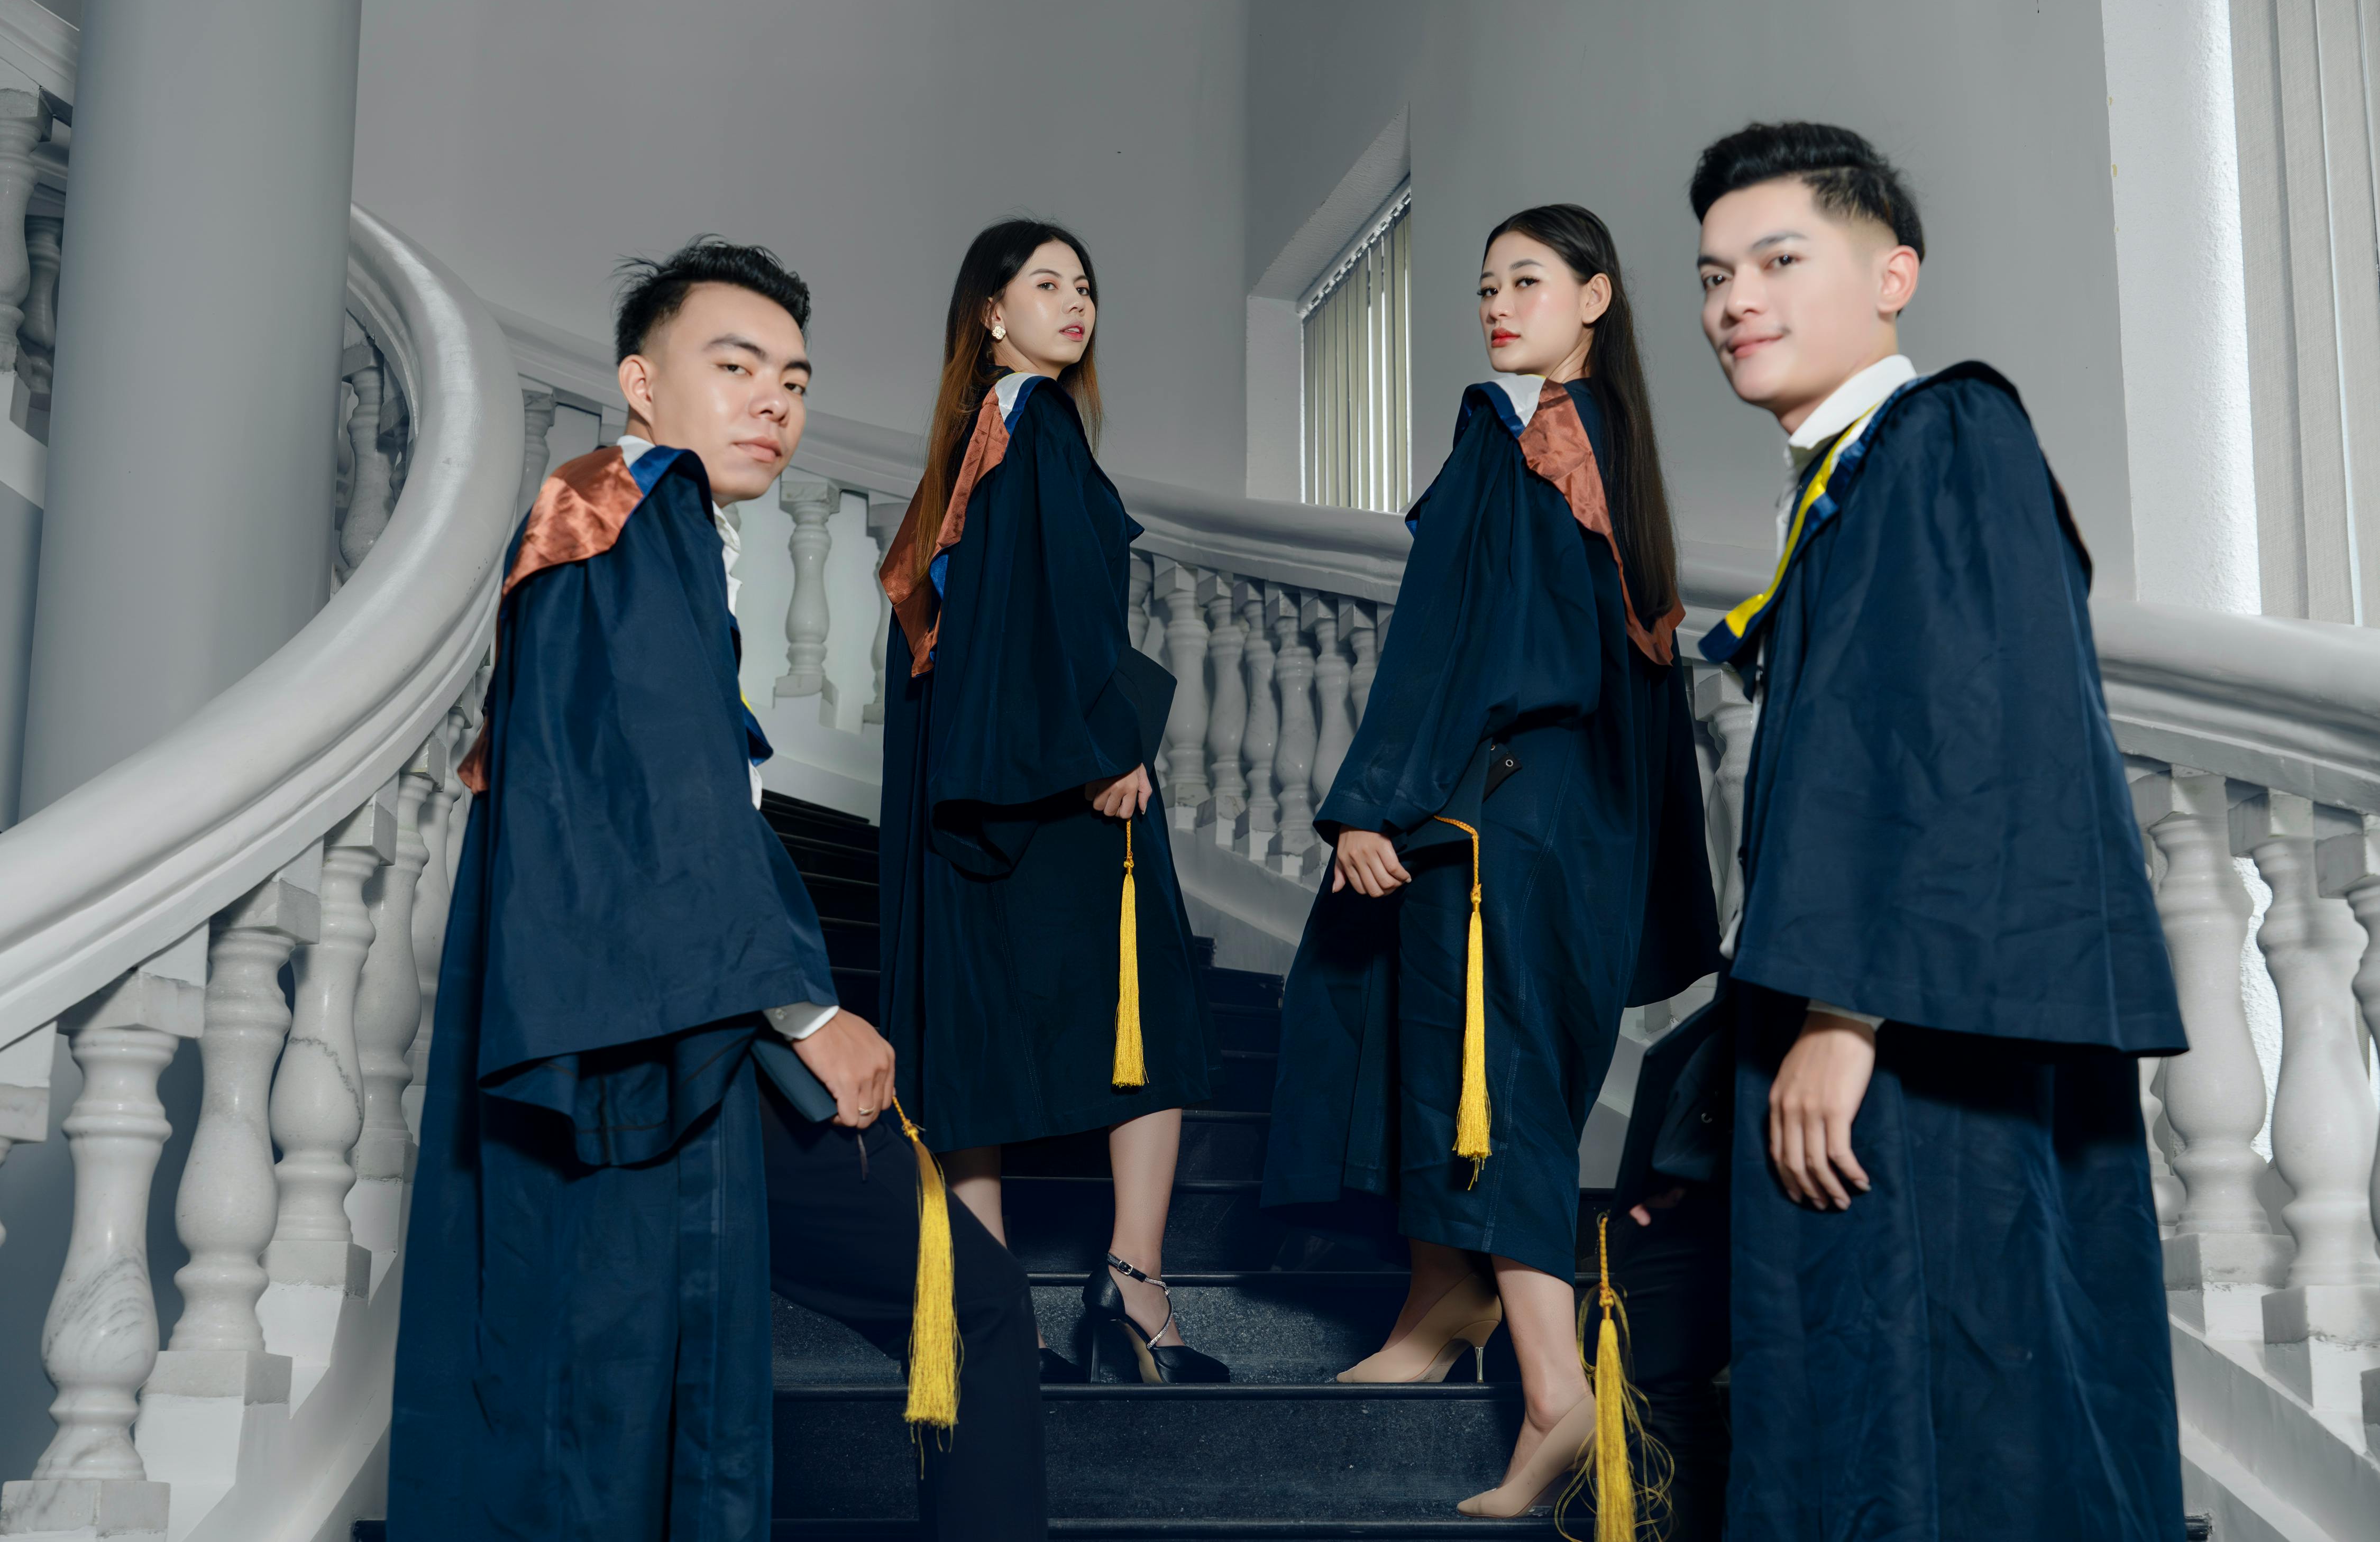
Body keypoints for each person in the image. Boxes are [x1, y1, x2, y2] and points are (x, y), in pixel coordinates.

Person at [389, 239, 1046, 1541]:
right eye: (734, 366)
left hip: (673, 1018)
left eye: (796, 382)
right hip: (672, 1040)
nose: (775, 404)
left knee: (917, 1309)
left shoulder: (646, 530)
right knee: (961, 1296)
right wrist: (808, 1012)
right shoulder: (620, 516)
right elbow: (665, 800)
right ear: (642, 383)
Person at [1682, 122, 2187, 1539]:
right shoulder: (1851, 479)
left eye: (1780, 259)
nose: (1735, 300)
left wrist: (1845, 1013)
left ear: (1891, 274)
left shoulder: (1947, 438)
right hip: (1893, 1017)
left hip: (1917, 1036)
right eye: (1714, 273)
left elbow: (1963, 741)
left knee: (1956, 1415)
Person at [1260, 204, 1720, 1519]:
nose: (1498, 304)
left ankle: (1554, 1389)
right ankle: (1439, 1295)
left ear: (1597, 298)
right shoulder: (1607, 452)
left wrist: (1371, 802)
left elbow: (1452, 646)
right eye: (1484, 286)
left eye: (1529, 280)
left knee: (1493, 1084)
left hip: (1499, 809)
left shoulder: (1521, 435)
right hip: (1574, 826)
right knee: (1433, 1042)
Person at [877, 218, 1226, 1385]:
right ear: (992, 312)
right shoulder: (1035, 429)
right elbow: (1067, 603)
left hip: (973, 785)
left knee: (973, 1029)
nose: (1076, 304)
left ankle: (992, 1312)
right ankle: (1135, 1287)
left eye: (1086, 285)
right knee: (1155, 1018)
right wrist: (1108, 739)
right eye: (1046, 284)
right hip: (1073, 777)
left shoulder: (968, 448)